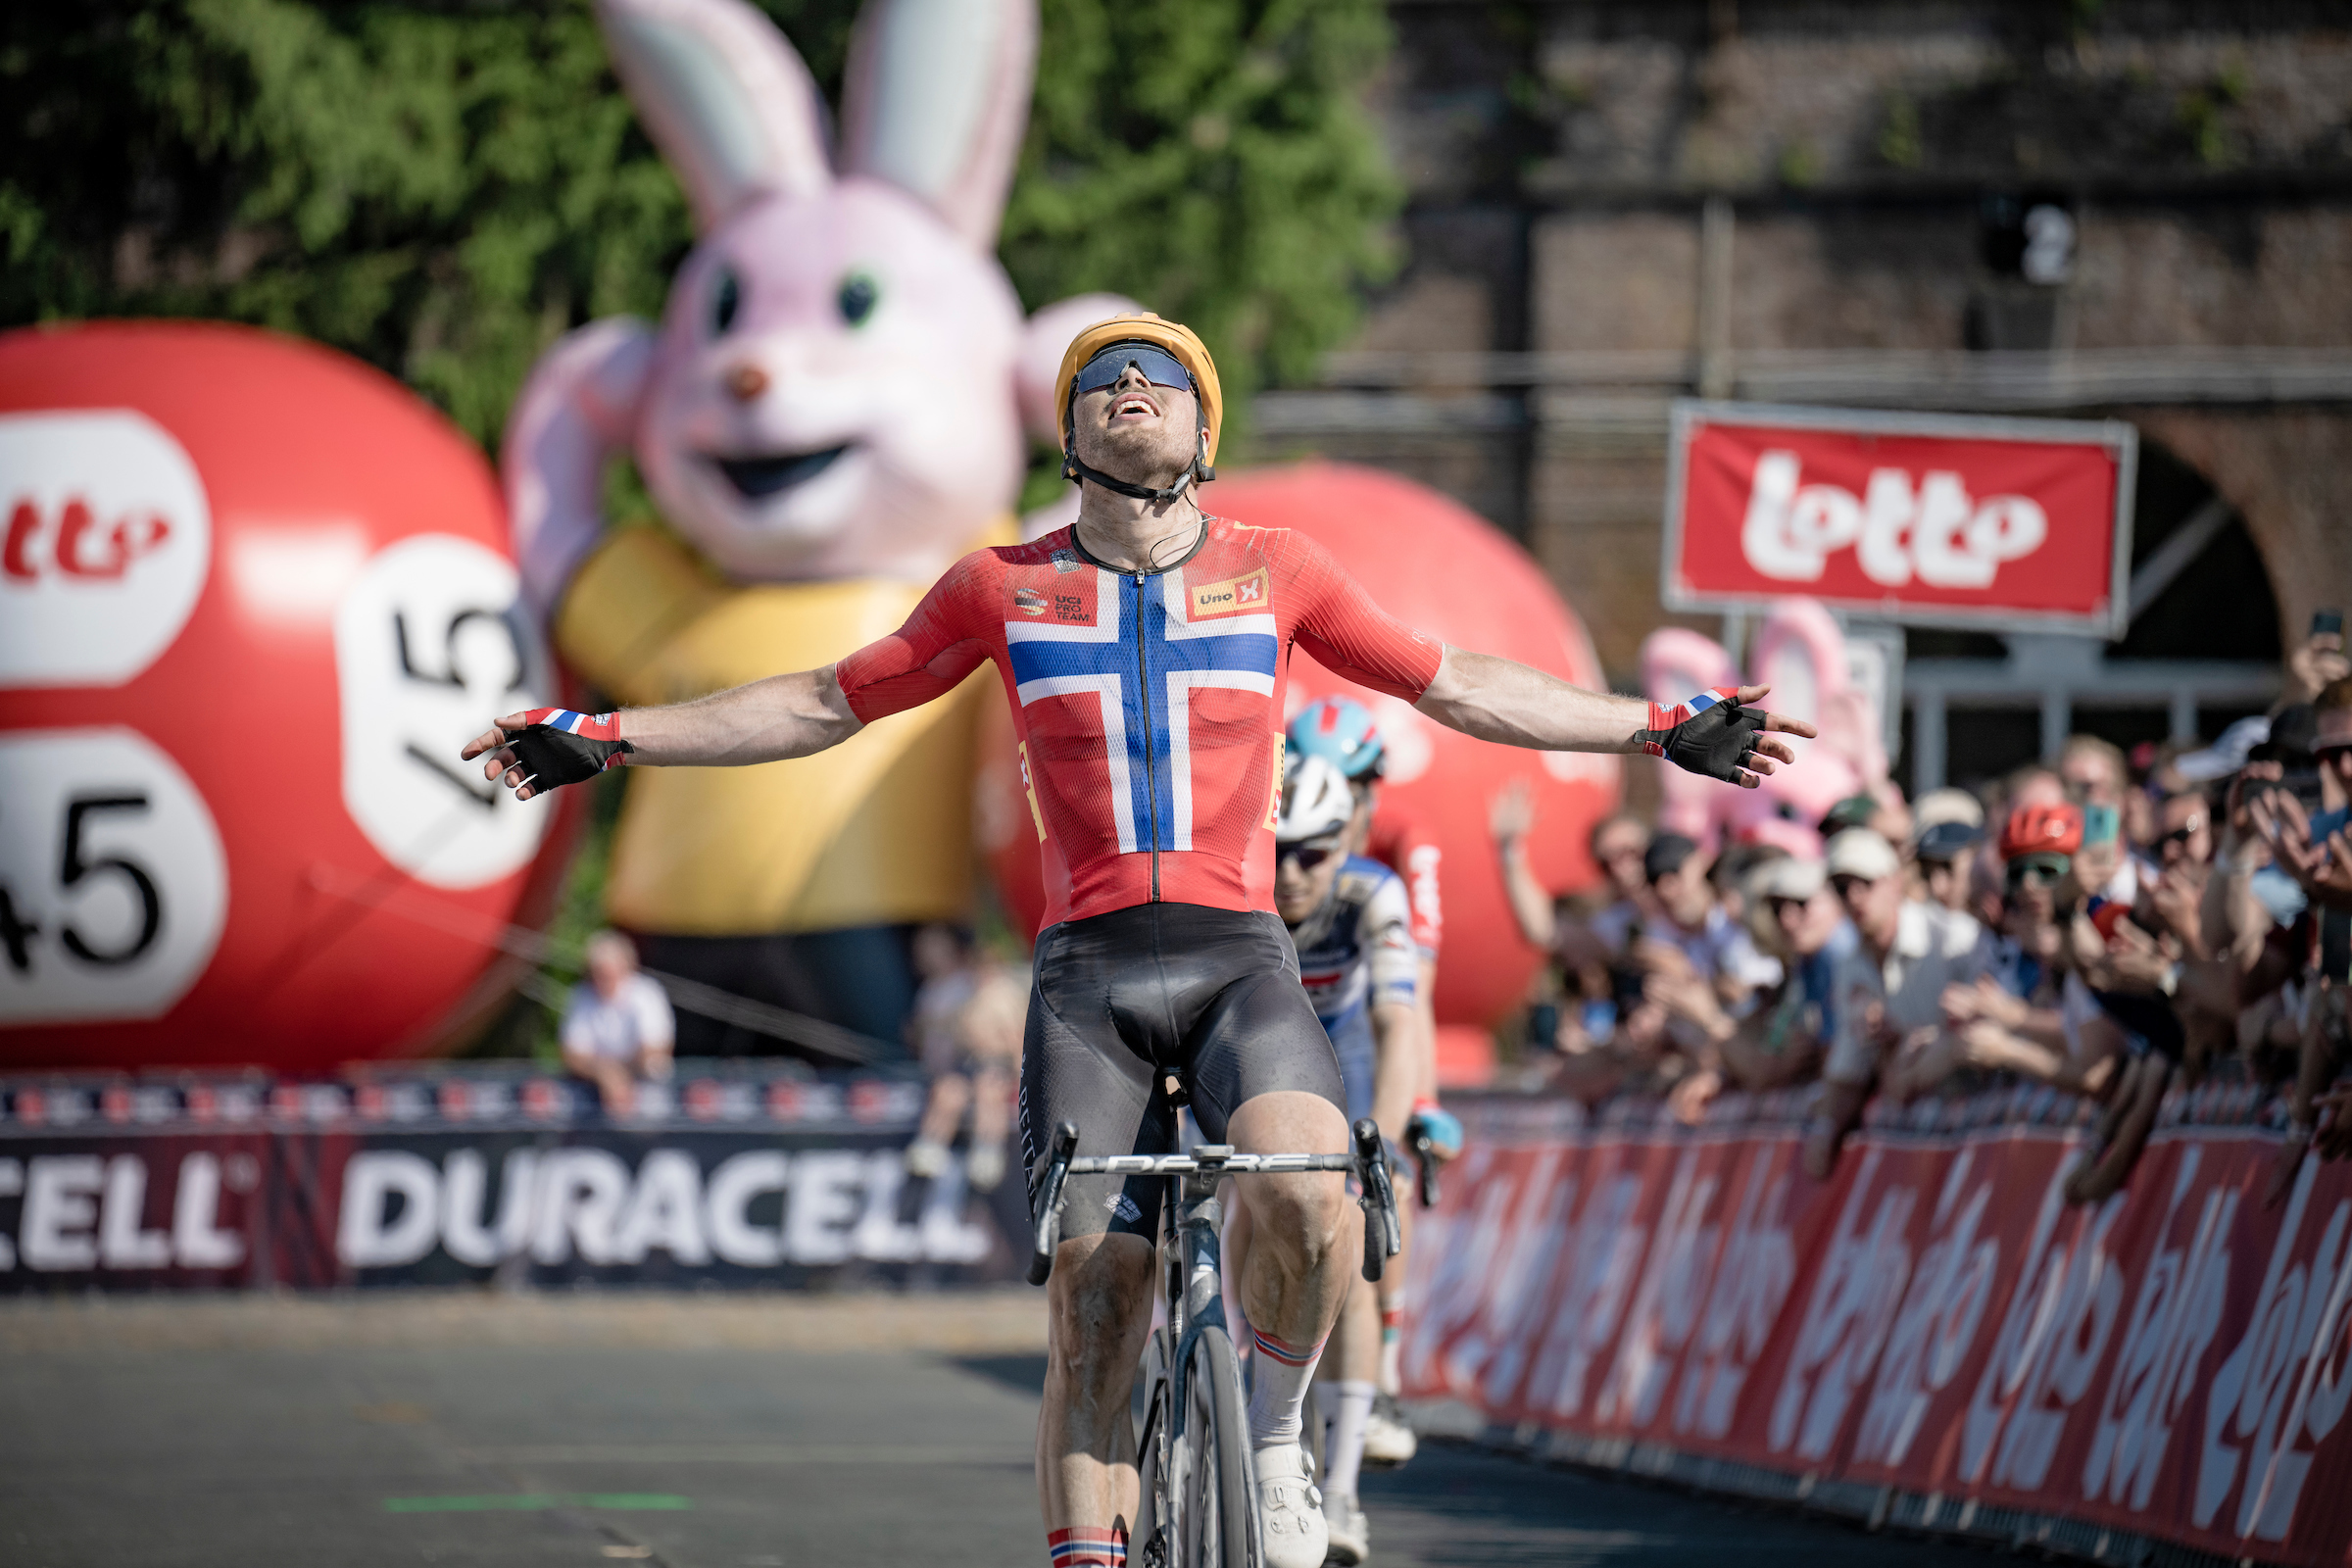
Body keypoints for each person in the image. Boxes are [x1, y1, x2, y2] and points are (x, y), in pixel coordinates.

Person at [462, 312, 1812, 1568]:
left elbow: (1455, 683)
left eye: (1160, 376)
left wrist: (1655, 726)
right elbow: (823, 701)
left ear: (1203, 432)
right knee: (1097, 1307)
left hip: (1239, 962)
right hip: (1088, 981)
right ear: (1067, 436)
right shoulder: (996, 587)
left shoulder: (1281, 570)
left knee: (1312, 1194)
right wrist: (608, 737)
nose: (1127, 385)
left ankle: (1275, 1444)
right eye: (1100, 378)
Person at [1283, 696, 1456, 1470]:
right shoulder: (1287, 837)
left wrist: (1419, 1103)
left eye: (1353, 787)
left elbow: (1411, 999)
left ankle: (1382, 1370)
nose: (1337, 801)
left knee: (1389, 1172)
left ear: (1371, 791)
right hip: (1291, 1016)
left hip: (1359, 1022)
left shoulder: (1404, 845)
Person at [1265, 754, 1418, 1564]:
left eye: (1313, 854)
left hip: (1347, 1056)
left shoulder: (1372, 892)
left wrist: (1382, 1139)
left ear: (1345, 845)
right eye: (1276, 852)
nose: (1290, 874)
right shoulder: (1239, 889)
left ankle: (1345, 1488)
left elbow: (1400, 1026)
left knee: (1350, 1245)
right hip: (1262, 1059)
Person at [903, 924, 1024, 1192]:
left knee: (987, 1090)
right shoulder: (967, 993)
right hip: (968, 1063)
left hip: (998, 1066)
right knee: (948, 1091)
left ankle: (987, 1150)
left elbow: (1016, 1038)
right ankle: (930, 1146)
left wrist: (1020, 1075)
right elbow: (954, 1034)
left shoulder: (1003, 994)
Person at [560, 929, 676, 1116]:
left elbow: (655, 1049)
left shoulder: (647, 994)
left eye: (608, 974)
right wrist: (604, 1074)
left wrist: (615, 1075)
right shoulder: (582, 995)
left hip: (646, 1093)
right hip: (592, 1095)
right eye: (597, 974)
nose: (602, 981)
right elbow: (572, 1054)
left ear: (626, 967)